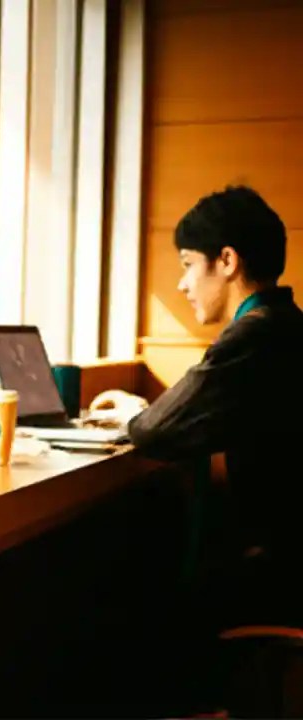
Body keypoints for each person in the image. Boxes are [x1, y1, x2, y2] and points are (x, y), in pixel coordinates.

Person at [91, 185, 303, 712]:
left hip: (285, 570)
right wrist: (145, 413)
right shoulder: (287, 327)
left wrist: (137, 417)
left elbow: (154, 433)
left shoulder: (254, 337)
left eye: (188, 264)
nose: (182, 283)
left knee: (120, 609)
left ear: (227, 261)